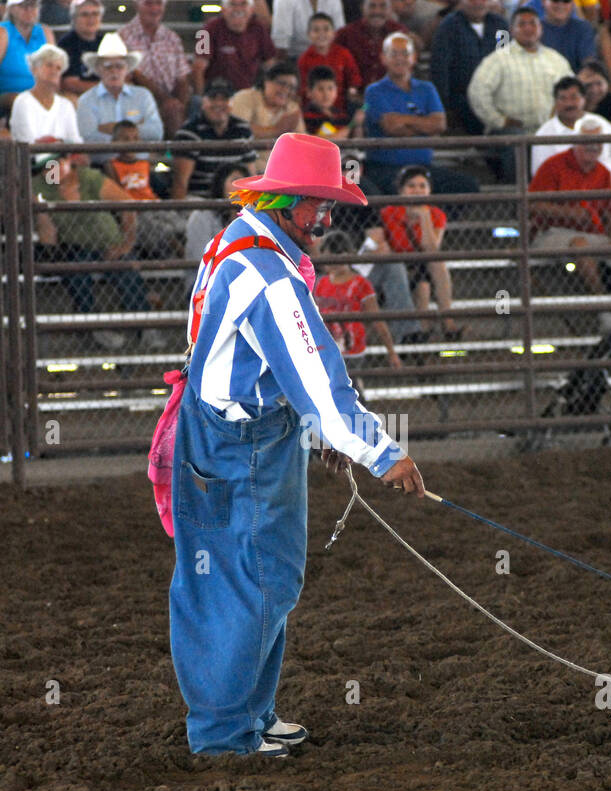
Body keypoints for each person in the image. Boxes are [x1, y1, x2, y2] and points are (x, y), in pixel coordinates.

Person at [168, 132, 424, 758]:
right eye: (316, 203)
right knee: (257, 577)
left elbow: (297, 383)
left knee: (239, 576)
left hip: (223, 431)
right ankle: (228, 734)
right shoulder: (272, 277)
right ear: (284, 202)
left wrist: (320, 430)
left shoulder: (237, 242)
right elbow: (324, 393)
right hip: (247, 444)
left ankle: (246, 716)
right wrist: (385, 455)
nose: (326, 217)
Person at [31, 151, 150, 320]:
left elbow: (127, 205)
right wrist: (50, 252)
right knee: (74, 272)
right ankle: (89, 322)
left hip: (110, 243)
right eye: (44, 168)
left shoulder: (90, 178)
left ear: (66, 161)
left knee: (126, 271)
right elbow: (45, 224)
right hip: (75, 247)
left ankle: (144, 322)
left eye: (53, 166)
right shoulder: (39, 187)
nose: (49, 172)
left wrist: (126, 244)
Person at [362, 32, 479, 197]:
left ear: (414, 57)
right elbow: (392, 127)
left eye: (405, 53)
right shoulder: (373, 91)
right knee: (391, 191)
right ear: (383, 58)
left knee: (467, 186)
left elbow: (440, 124)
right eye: (393, 53)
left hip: (423, 168)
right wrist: (425, 125)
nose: (399, 58)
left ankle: (436, 221)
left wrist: (403, 120)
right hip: (385, 168)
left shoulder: (427, 88)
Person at [529, 118, 611, 293]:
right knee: (580, 245)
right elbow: (531, 204)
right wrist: (568, 213)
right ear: (575, 142)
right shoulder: (553, 165)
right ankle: (604, 304)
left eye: (597, 141)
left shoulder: (603, 172)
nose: (593, 146)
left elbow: (609, 212)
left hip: (592, 234)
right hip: (551, 233)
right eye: (586, 141)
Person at [467, 6, 573, 135]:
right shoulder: (498, 60)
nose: (528, 28)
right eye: (521, 24)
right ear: (512, 30)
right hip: (508, 133)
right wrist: (499, 121)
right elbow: (477, 93)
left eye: (533, 23)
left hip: (550, 131)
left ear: (541, 28)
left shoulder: (556, 60)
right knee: (517, 139)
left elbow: (572, 91)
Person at [381, 164, 459, 340]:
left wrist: (424, 217)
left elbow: (431, 249)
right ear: (401, 191)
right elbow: (385, 248)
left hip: (423, 264)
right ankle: (419, 334)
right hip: (397, 266)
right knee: (423, 285)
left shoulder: (436, 214)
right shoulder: (387, 213)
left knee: (434, 267)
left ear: (429, 190)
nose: (417, 190)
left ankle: (445, 321)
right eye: (411, 186)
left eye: (422, 186)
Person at [313, 228, 402, 366]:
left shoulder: (360, 284)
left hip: (351, 347)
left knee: (350, 382)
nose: (333, 263)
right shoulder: (321, 283)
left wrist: (391, 352)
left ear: (349, 255)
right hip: (326, 346)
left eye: (339, 257)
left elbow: (377, 319)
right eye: (329, 258)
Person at [532, 75, 611, 186]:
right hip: (563, 200)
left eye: (574, 97)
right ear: (555, 102)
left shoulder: (602, 124)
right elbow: (540, 175)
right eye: (563, 98)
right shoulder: (543, 134)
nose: (569, 104)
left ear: (584, 99)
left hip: (605, 197)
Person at [76, 32, 160, 162]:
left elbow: (156, 133)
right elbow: (87, 138)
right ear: (98, 69)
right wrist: (134, 133)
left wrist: (113, 130)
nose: (114, 71)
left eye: (119, 66)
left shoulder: (143, 95)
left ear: (127, 69)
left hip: (141, 166)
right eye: (108, 66)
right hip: (103, 167)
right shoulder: (86, 100)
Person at [104, 120, 185, 256]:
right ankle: (185, 257)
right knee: (160, 229)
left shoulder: (144, 163)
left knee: (178, 222)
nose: (131, 143)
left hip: (153, 205)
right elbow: (115, 191)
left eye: (135, 138)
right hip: (135, 211)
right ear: (114, 142)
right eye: (125, 139)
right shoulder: (111, 165)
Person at [171, 77, 260, 198]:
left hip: (235, 199)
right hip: (199, 202)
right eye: (213, 98)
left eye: (224, 99)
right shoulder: (189, 132)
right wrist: (182, 214)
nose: (218, 103)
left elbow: (250, 176)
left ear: (232, 102)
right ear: (203, 102)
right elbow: (180, 183)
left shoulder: (243, 130)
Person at [430, 0, 506, 134]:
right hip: (462, 100)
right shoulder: (448, 27)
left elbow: (506, 59)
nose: (477, 3)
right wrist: (443, 107)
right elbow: (440, 70)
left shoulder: (500, 26)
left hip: (497, 97)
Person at [119, 0, 192, 134]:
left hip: (172, 97)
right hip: (139, 99)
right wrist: (166, 100)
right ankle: (178, 151)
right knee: (172, 109)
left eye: (159, 4)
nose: (154, 9)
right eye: (149, 3)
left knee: (198, 104)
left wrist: (180, 104)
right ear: (137, 5)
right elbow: (133, 74)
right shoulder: (122, 37)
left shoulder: (172, 37)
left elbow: (182, 78)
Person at [193, 0, 279, 94]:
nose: (238, 9)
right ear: (223, 9)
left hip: (250, 94)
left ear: (252, 10)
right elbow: (198, 67)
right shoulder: (207, 29)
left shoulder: (259, 28)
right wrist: (201, 97)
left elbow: (271, 64)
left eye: (243, 4)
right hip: (217, 94)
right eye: (232, 4)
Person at [0, 0, 56, 110]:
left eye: (33, 5)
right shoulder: (0, 32)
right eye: (23, 5)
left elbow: (54, 70)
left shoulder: (45, 32)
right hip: (6, 96)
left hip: (39, 94)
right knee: (23, 101)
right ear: (11, 9)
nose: (29, 10)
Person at [9, 45, 81, 144]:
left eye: (58, 68)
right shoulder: (23, 101)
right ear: (34, 69)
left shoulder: (66, 105)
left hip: (64, 158)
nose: (54, 70)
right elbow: (28, 143)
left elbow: (75, 141)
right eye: (49, 65)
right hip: (31, 159)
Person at [335, 0, 411, 90]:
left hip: (390, 96)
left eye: (383, 6)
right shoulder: (345, 34)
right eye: (372, 6)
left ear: (390, 9)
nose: (377, 11)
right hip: (356, 99)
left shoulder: (399, 32)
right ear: (362, 8)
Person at [230, 61, 306, 149]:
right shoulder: (245, 97)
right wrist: (276, 130)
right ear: (266, 81)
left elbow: (301, 141)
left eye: (292, 87)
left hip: (281, 161)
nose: (286, 90)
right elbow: (238, 131)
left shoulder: (292, 107)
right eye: (282, 83)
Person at [299, 12, 362, 113]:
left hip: (342, 107)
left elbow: (354, 77)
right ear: (308, 34)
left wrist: (352, 90)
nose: (321, 34)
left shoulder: (343, 53)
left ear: (334, 33)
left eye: (326, 29)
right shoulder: (304, 59)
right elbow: (303, 88)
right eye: (316, 30)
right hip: (315, 109)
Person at [57, 0, 105, 97]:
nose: (91, 19)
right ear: (74, 19)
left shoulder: (106, 42)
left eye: (95, 14)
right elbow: (69, 84)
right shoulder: (67, 43)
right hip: (79, 98)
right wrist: (106, 88)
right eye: (85, 15)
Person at [304, 64, 364, 137]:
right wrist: (350, 126)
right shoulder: (307, 117)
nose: (326, 94)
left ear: (336, 91)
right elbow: (323, 142)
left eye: (330, 88)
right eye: (320, 89)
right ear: (309, 92)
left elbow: (356, 142)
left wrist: (358, 125)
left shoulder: (342, 116)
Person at [539, 0, 598, 72]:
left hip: (577, 81)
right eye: (555, 0)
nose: (560, 5)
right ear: (543, 2)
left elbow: (589, 64)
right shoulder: (534, 30)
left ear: (573, 4)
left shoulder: (583, 28)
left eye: (566, 1)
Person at [273, 0, 345, 58]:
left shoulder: (334, 1)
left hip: (329, 56)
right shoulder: (284, 1)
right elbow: (281, 44)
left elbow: (340, 35)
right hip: (295, 58)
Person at [578, 58, 611, 128]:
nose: (594, 90)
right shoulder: (574, 103)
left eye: (599, 84)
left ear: (607, 84)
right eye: (588, 85)